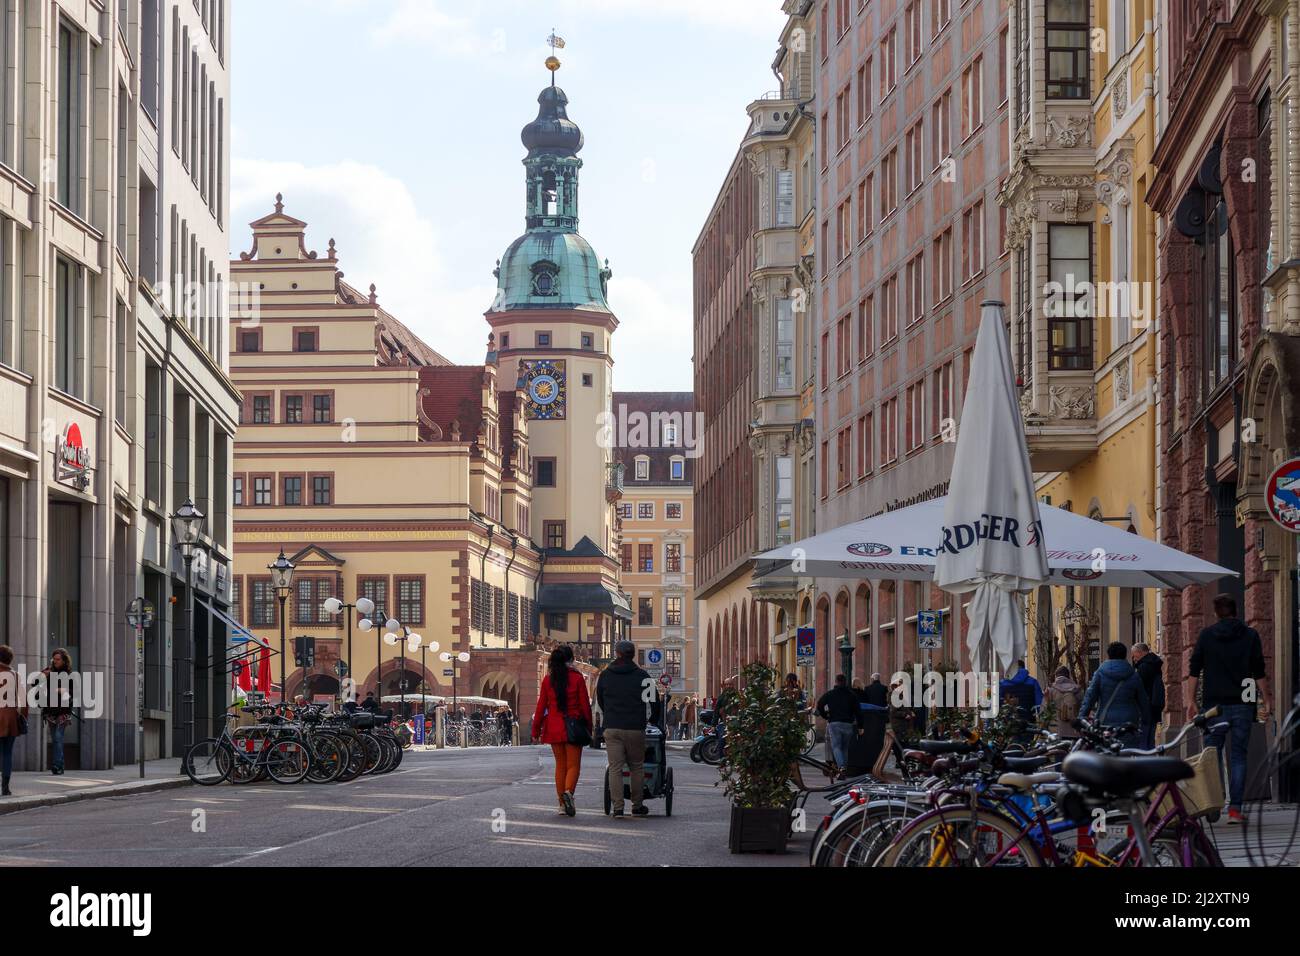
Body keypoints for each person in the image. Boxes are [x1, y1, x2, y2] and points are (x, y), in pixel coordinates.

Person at [1188, 593, 1269, 825]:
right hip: (1243, 701)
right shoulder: (1250, 635)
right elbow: (1258, 670)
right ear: (1236, 610)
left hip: (1214, 705)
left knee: (1210, 756)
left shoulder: (1206, 636)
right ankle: (1235, 810)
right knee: (1238, 757)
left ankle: (1212, 805)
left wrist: (1190, 700)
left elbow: (1194, 670)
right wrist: (1267, 698)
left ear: (1216, 612)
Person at [530, 645, 592, 817]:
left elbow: (541, 707)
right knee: (573, 766)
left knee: (560, 766)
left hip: (554, 727)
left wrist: (535, 730)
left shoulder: (548, 680)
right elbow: (585, 705)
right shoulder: (577, 678)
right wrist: (589, 726)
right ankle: (568, 793)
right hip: (573, 726)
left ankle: (561, 805)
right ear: (570, 660)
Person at [596, 641, 652, 818]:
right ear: (633, 655)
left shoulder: (605, 675)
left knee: (615, 768)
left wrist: (610, 714)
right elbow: (653, 700)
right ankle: (637, 806)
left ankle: (618, 808)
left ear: (617, 654)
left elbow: (600, 699)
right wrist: (651, 719)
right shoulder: (643, 676)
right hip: (635, 727)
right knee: (637, 766)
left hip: (612, 726)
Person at [1080, 642, 1149, 749]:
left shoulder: (1100, 673)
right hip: (1129, 723)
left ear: (1108, 655)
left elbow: (1090, 698)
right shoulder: (1134, 675)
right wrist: (1145, 721)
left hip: (1105, 721)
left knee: (1106, 753)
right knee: (1126, 753)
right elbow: (1143, 701)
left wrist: (1081, 719)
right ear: (1125, 655)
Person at [815, 674, 863, 769]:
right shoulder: (851, 695)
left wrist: (825, 716)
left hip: (835, 723)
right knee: (844, 748)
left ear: (836, 682)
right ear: (845, 682)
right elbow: (858, 711)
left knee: (836, 747)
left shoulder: (830, 694)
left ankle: (841, 767)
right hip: (848, 724)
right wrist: (861, 726)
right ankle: (843, 768)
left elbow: (820, 704)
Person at [0, 645, 27, 796]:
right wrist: (23, 717)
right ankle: (5, 787)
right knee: (7, 753)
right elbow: (23, 700)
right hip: (10, 718)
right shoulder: (16, 675)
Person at [41, 648, 73, 775]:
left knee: (58, 737)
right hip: (51, 710)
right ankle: (60, 765)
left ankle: (57, 765)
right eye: (54, 659)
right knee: (55, 739)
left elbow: (74, 692)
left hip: (63, 711)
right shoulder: (49, 672)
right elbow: (35, 684)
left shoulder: (69, 674)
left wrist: (64, 691)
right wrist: (43, 675)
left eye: (58, 659)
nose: (55, 661)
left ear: (64, 660)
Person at [1131, 642, 1166, 750]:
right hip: (1155, 704)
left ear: (1140, 652)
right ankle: (1149, 759)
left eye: (1134, 654)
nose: (1133, 658)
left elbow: (1139, 688)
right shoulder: (1155, 663)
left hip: (1146, 706)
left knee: (1143, 737)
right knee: (1150, 737)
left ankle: (1143, 761)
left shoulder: (1144, 667)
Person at [1043, 666, 1083, 738]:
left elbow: (1045, 710)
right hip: (1074, 730)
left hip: (1056, 731)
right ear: (1068, 676)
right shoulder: (1077, 690)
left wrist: (1043, 727)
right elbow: (1083, 709)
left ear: (1056, 676)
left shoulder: (1051, 690)